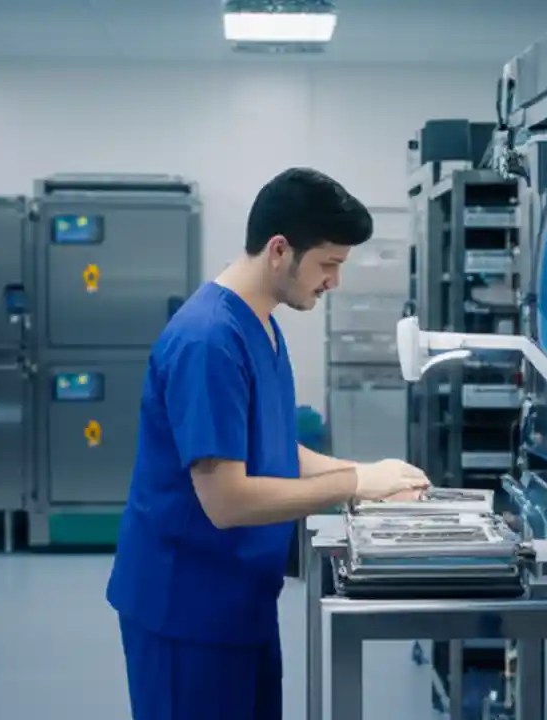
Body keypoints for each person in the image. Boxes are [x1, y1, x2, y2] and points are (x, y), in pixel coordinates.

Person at [106, 167, 430, 720]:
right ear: (280, 250)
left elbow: (273, 450)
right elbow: (226, 500)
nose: (334, 282)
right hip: (186, 610)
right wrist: (352, 484)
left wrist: (371, 477)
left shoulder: (264, 326)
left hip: (239, 600)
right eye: (328, 264)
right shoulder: (209, 339)